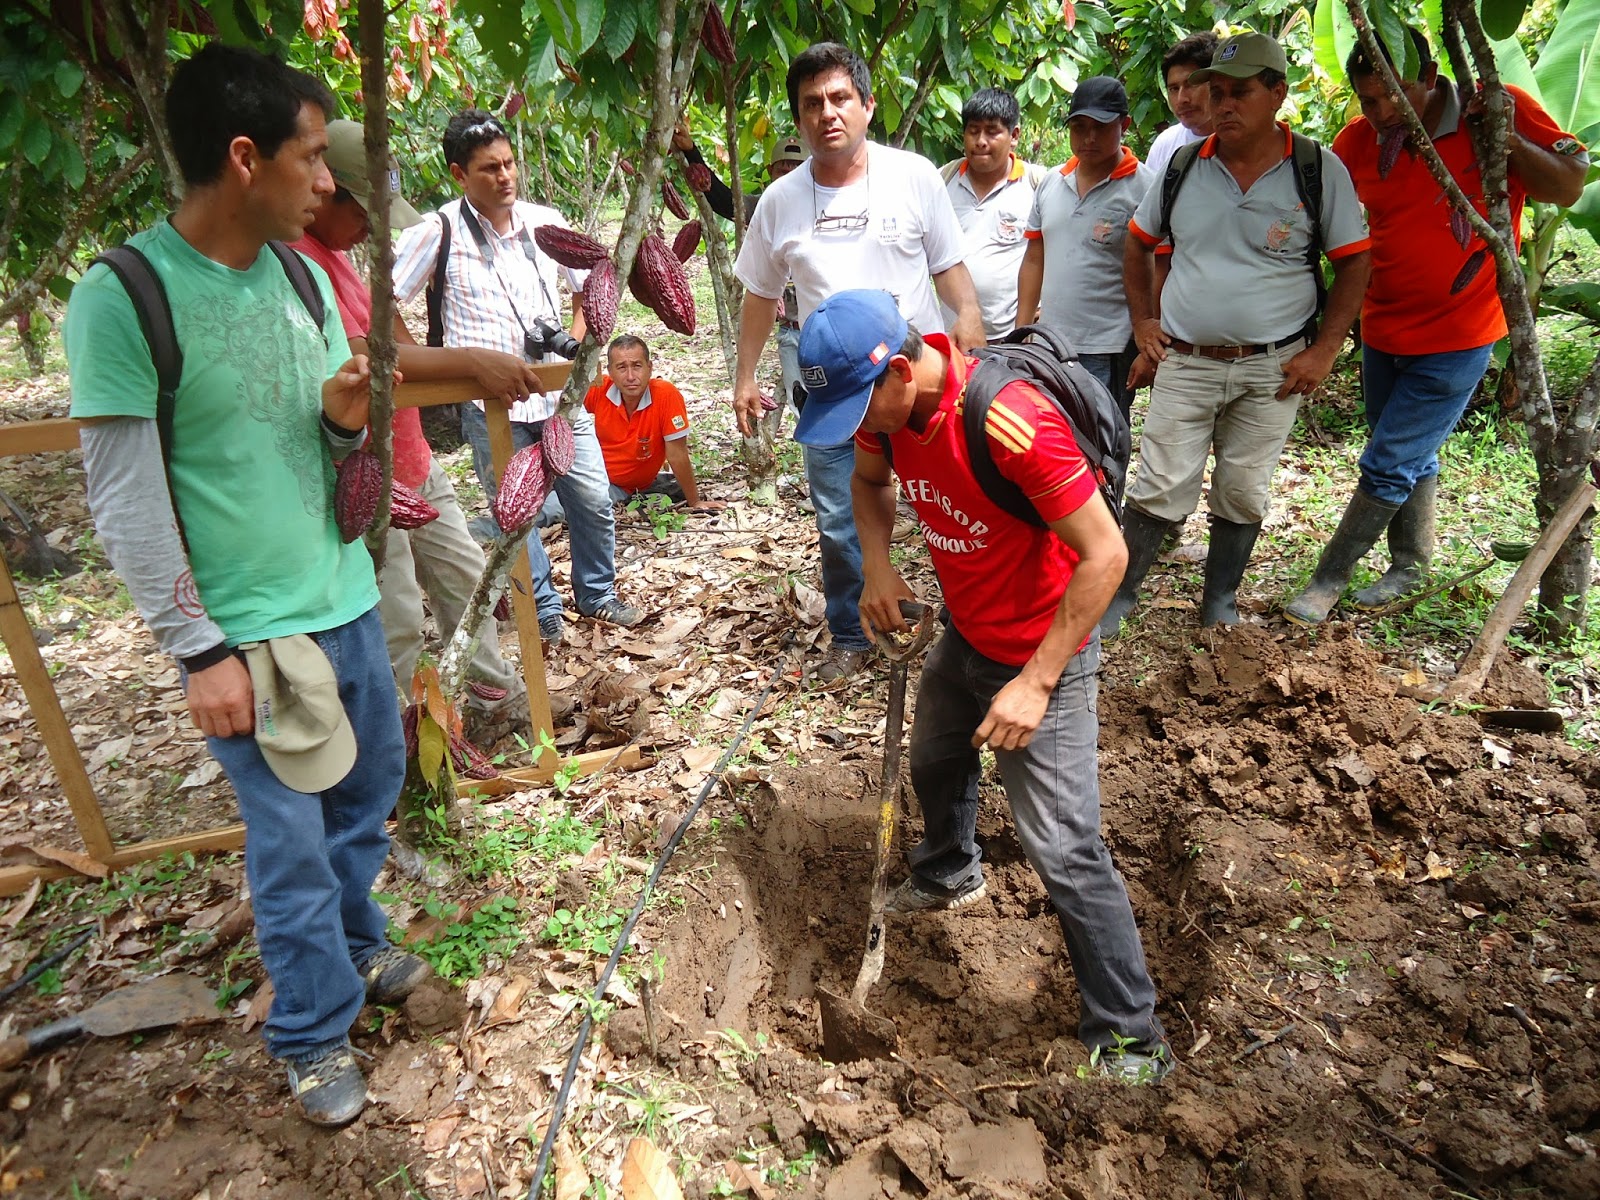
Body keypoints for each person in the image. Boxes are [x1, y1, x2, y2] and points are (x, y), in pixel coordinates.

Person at [64, 43, 426, 1127]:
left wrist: (340, 421)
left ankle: (358, 948)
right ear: (243, 158)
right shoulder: (124, 296)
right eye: (312, 158)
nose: (327, 182)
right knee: (290, 844)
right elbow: (124, 497)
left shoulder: (302, 274)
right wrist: (198, 650)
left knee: (367, 798)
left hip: (342, 596)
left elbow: (304, 443)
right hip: (254, 635)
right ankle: (312, 1031)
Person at [795, 289, 1171, 1082]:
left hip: (1045, 651)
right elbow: (868, 487)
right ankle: (947, 871)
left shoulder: (1010, 422)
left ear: (902, 369)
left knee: (1064, 847)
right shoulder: (885, 414)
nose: (861, 429)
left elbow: (1106, 557)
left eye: (864, 408)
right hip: (968, 628)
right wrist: (880, 564)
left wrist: (1034, 683)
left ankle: (1131, 1033)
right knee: (934, 756)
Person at [1285, 27, 1588, 624]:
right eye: (1367, 100)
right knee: (1406, 452)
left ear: (1427, 78)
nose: (1379, 112)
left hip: (1461, 329)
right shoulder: (1356, 142)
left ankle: (1327, 579)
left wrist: (1504, 139)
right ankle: (1410, 562)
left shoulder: (1492, 111)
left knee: (1390, 458)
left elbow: (1571, 184)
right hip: (1382, 326)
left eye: (1392, 95)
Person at [732, 41, 985, 682]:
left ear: (868, 106)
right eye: (812, 103)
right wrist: (745, 375)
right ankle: (853, 628)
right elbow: (760, 294)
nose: (828, 113)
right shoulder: (780, 202)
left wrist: (969, 320)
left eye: (841, 98)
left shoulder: (915, 177)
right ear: (798, 118)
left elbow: (948, 266)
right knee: (841, 513)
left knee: (950, 503)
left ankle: (963, 623)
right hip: (836, 389)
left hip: (914, 380)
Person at [1107, 32, 1372, 636]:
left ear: (1277, 93)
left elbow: (1355, 260)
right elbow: (1138, 245)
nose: (1224, 106)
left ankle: (1220, 600)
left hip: (1274, 365)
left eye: (1241, 93)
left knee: (1244, 486)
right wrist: (1144, 321)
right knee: (1160, 483)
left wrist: (1326, 349)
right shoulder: (1181, 166)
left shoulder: (1315, 168)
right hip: (1186, 358)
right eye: (1217, 92)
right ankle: (1122, 595)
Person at [290, 118, 549, 729]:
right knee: (398, 615)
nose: (369, 228)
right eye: (363, 213)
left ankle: (497, 700)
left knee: (466, 577)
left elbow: (396, 335)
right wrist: (472, 361)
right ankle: (414, 744)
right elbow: (368, 354)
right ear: (329, 193)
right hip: (367, 467)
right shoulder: (301, 263)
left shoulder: (343, 259)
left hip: (410, 454)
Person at [392, 109, 642, 648]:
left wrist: (575, 341)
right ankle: (544, 610)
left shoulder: (543, 222)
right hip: (490, 406)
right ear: (459, 175)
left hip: (559, 397)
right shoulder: (438, 231)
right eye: (489, 169)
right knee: (516, 514)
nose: (505, 176)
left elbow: (589, 282)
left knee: (593, 498)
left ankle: (597, 593)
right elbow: (384, 299)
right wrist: (423, 364)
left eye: (509, 164)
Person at [1016, 77, 1153, 421]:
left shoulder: (1145, 188)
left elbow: (1162, 267)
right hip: (1049, 344)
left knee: (1103, 445)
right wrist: (1021, 333)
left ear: (1124, 125)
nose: (1089, 137)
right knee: (1052, 442)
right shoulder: (1051, 181)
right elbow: (1035, 257)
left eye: (1100, 127)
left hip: (1108, 348)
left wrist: (1148, 343)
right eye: (1079, 127)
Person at [673, 130, 808, 403]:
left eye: (798, 168)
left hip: (827, 326)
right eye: (784, 169)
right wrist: (691, 152)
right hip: (792, 330)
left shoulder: (823, 207)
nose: (790, 173)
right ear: (771, 171)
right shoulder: (764, 207)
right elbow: (722, 200)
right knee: (804, 409)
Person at [940, 87, 1046, 341]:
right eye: (973, 131)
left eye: (992, 131)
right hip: (954, 336)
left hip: (1014, 337)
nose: (980, 141)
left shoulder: (1037, 184)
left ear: (1014, 135)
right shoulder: (941, 182)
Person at [583, 334, 723, 509]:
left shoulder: (665, 396)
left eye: (637, 366)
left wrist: (695, 501)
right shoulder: (600, 388)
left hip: (617, 488)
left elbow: (677, 454)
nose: (630, 376)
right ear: (610, 371)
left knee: (555, 508)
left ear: (649, 368)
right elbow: (562, 404)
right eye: (621, 367)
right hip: (584, 473)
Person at [1144, 31, 1219, 178]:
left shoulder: (1240, 144)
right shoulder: (1165, 144)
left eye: (1191, 85)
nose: (1181, 99)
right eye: (1174, 89)